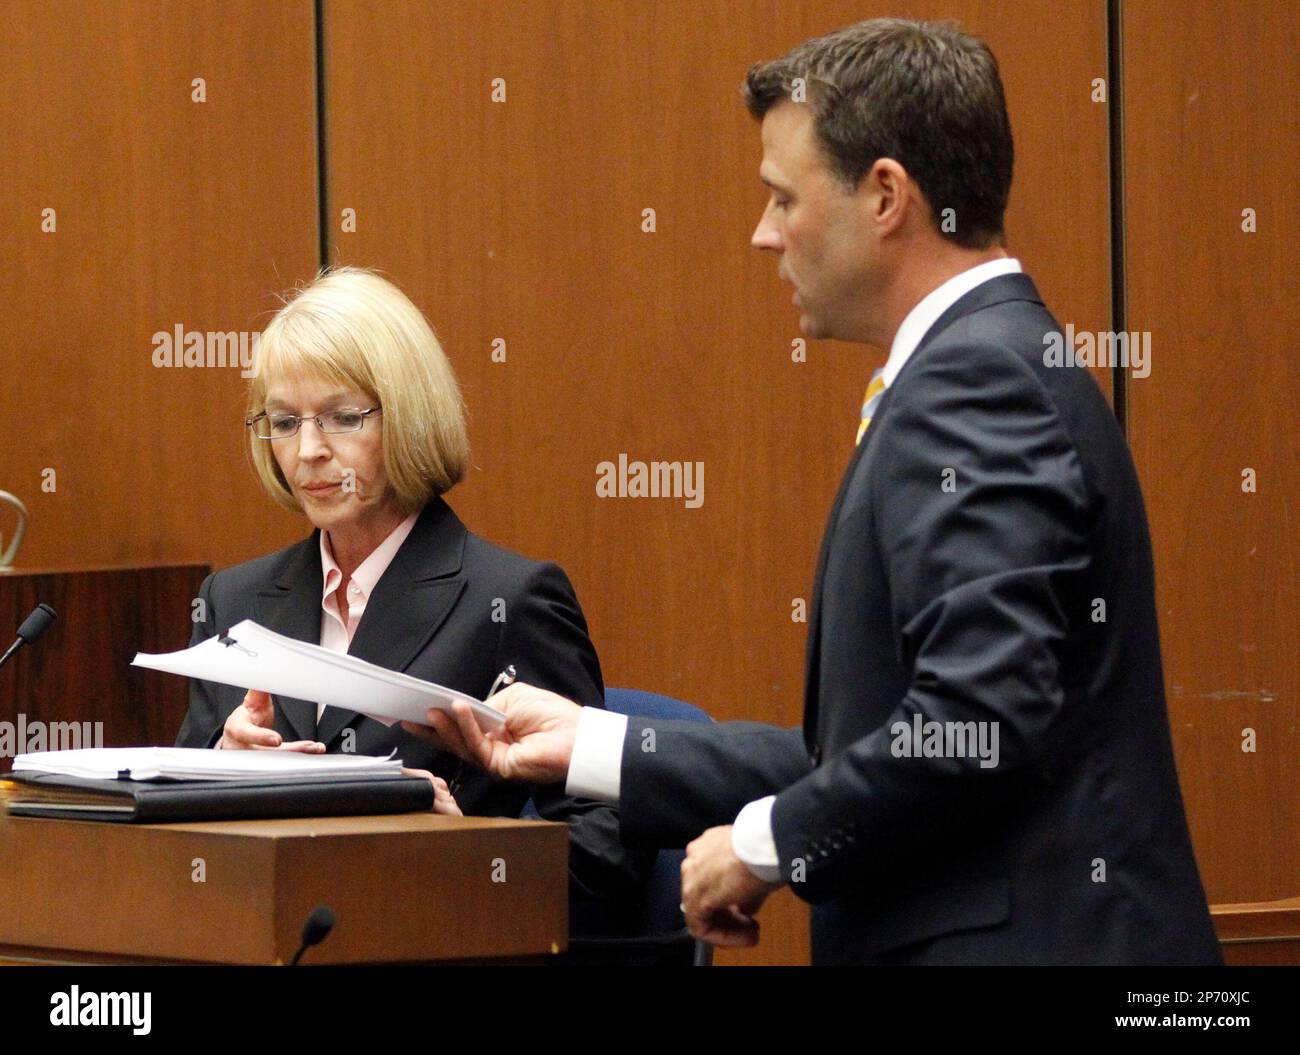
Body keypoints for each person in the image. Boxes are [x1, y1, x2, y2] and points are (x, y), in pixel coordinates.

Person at [407, 18, 1223, 965]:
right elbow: (884, 741)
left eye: (781, 198)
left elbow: (974, 726)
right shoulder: (992, 361)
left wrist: (764, 846)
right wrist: (592, 743)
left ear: (886, 196)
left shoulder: (975, 383)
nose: (763, 235)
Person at [175, 266, 652, 934]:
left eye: (343, 417)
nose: (309, 451)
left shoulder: (509, 599)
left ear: (407, 415)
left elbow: (610, 845)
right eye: (284, 422)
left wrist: (466, 853)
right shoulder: (234, 599)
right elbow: (166, 826)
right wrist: (222, 769)